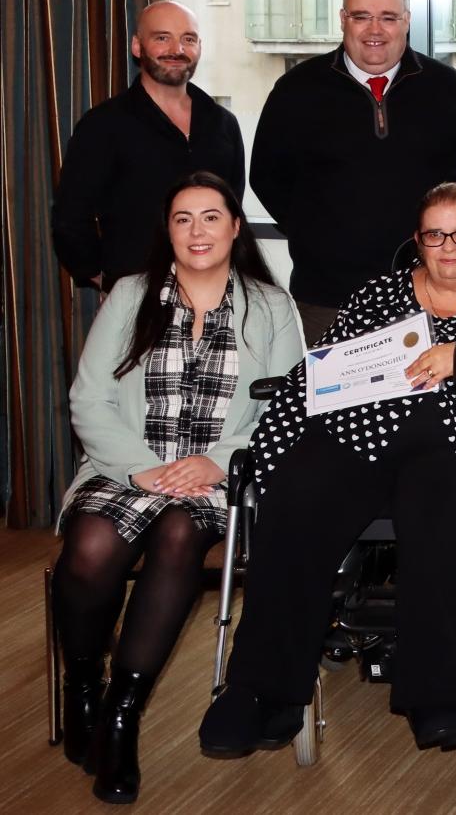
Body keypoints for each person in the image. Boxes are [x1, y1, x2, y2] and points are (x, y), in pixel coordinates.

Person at [198, 184, 456, 757]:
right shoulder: (381, 294)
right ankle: (259, 692)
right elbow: (320, 372)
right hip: (360, 434)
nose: (448, 247)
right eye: (434, 235)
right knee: (293, 504)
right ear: (418, 240)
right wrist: (274, 454)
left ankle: (434, 702)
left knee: (441, 523)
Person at [51, 172, 300, 803]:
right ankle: (82, 680)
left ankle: (120, 713)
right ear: (167, 229)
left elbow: (290, 408)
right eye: (183, 218)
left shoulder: (270, 306)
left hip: (218, 481)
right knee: (89, 549)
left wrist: (218, 460)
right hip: (125, 468)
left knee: (179, 534)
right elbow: (91, 398)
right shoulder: (132, 295)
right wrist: (140, 468)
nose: (197, 231)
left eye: (211, 217)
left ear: (235, 228)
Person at [251, 0, 456, 342]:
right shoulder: (297, 90)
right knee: (338, 399)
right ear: (343, 20)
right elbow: (266, 176)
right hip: (329, 297)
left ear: (407, 21)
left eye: (388, 17)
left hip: (432, 290)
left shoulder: (445, 87)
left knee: (429, 398)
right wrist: (318, 236)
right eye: (361, 17)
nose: (376, 29)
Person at [52, 1, 245, 292]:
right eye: (162, 37)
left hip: (215, 292)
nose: (177, 50)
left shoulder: (223, 124)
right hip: (136, 296)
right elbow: (70, 217)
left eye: (188, 39)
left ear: (199, 47)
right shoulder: (103, 125)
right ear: (137, 46)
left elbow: (232, 211)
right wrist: (102, 277)